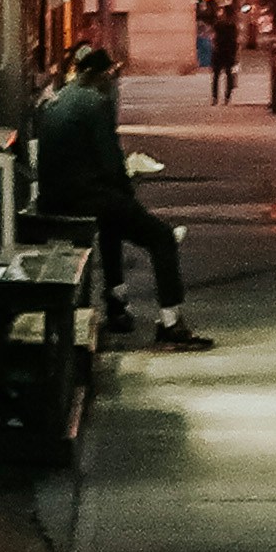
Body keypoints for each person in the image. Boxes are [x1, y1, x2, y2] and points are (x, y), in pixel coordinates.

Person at [32, 44, 211, 349]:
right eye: (108, 75)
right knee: (160, 237)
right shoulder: (96, 103)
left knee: (112, 224)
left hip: (54, 197)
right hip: (83, 197)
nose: (111, 82)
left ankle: (117, 304)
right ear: (96, 74)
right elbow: (111, 164)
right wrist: (130, 192)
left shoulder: (57, 99)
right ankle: (171, 322)